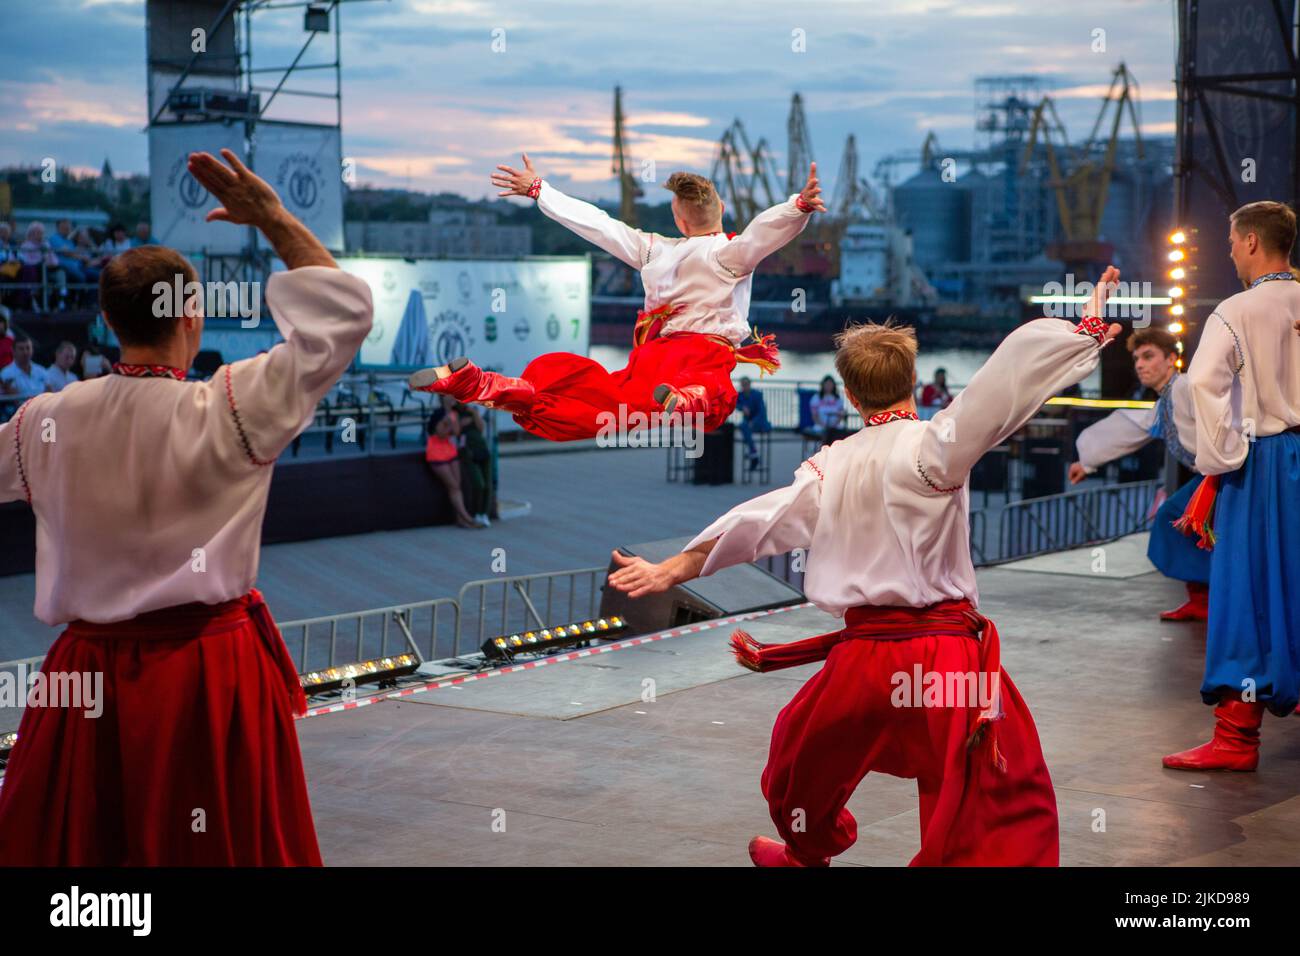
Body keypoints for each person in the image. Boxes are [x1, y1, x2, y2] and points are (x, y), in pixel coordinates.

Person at [609, 268, 1123, 867]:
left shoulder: (826, 469)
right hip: (944, 658)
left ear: (850, 396)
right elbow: (1001, 387)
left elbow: (756, 522)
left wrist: (673, 568)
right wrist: (1082, 333)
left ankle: (808, 849)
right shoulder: (936, 446)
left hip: (863, 660)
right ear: (912, 380)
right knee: (990, 787)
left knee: (799, 762)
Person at [0, 147, 374, 865]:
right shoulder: (231, 406)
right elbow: (345, 312)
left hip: (88, 675)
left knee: (91, 855)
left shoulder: (42, 421)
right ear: (192, 319)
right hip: (207, 674)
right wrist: (273, 219)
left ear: (108, 324)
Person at [407, 154, 824, 439]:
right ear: (721, 209)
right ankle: (688, 400)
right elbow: (761, 235)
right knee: (717, 397)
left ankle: (488, 385)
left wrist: (540, 190)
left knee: (599, 400)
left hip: (653, 358)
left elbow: (597, 224)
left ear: (679, 219)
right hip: (702, 356)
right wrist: (798, 206)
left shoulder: (653, 250)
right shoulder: (727, 254)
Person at [1162, 201, 1300, 773]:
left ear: (1248, 242)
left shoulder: (1237, 310)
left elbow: (1202, 383)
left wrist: (1222, 458)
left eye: (1229, 241)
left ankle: (1236, 739)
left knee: (1245, 591)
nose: (1227, 251)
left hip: (1264, 464)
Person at [1067, 328, 1208, 621]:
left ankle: (1211, 599)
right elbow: (1132, 428)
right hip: (1210, 477)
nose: (1140, 365)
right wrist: (1088, 462)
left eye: (1148, 356)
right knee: (1179, 522)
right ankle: (1203, 599)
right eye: (1136, 359)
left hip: (1226, 475)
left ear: (1171, 359)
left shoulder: (1186, 388)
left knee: (1176, 518)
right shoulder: (1167, 400)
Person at [425, 396, 482, 530]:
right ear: (442, 398)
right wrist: (447, 423)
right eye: (448, 397)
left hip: (449, 451)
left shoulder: (454, 413)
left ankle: (460, 519)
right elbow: (440, 434)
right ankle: (467, 517)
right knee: (454, 486)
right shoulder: (438, 414)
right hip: (437, 453)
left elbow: (456, 433)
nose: (452, 400)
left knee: (456, 486)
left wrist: (455, 423)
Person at [735, 375, 770, 470]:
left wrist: (753, 422)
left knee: (745, 427)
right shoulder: (740, 395)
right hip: (747, 423)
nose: (744, 386)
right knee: (743, 426)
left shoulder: (757, 395)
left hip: (760, 422)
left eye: (746, 384)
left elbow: (762, 412)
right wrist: (742, 408)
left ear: (749, 384)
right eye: (743, 385)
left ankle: (753, 454)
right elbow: (735, 404)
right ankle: (754, 453)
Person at [808, 375, 846, 442]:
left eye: (830, 384)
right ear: (823, 385)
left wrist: (834, 424)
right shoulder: (816, 398)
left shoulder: (838, 399)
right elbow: (814, 415)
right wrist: (822, 425)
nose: (828, 386)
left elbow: (841, 414)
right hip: (820, 426)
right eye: (827, 384)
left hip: (835, 426)